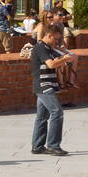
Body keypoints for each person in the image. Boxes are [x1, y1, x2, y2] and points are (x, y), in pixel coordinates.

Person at [30, 24, 73, 155]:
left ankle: (37, 146)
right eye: (56, 39)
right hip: (44, 85)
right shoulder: (40, 47)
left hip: (47, 84)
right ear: (48, 35)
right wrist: (64, 59)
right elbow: (51, 64)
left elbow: (72, 56)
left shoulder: (49, 48)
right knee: (57, 112)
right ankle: (53, 145)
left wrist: (63, 51)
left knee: (42, 116)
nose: (57, 42)